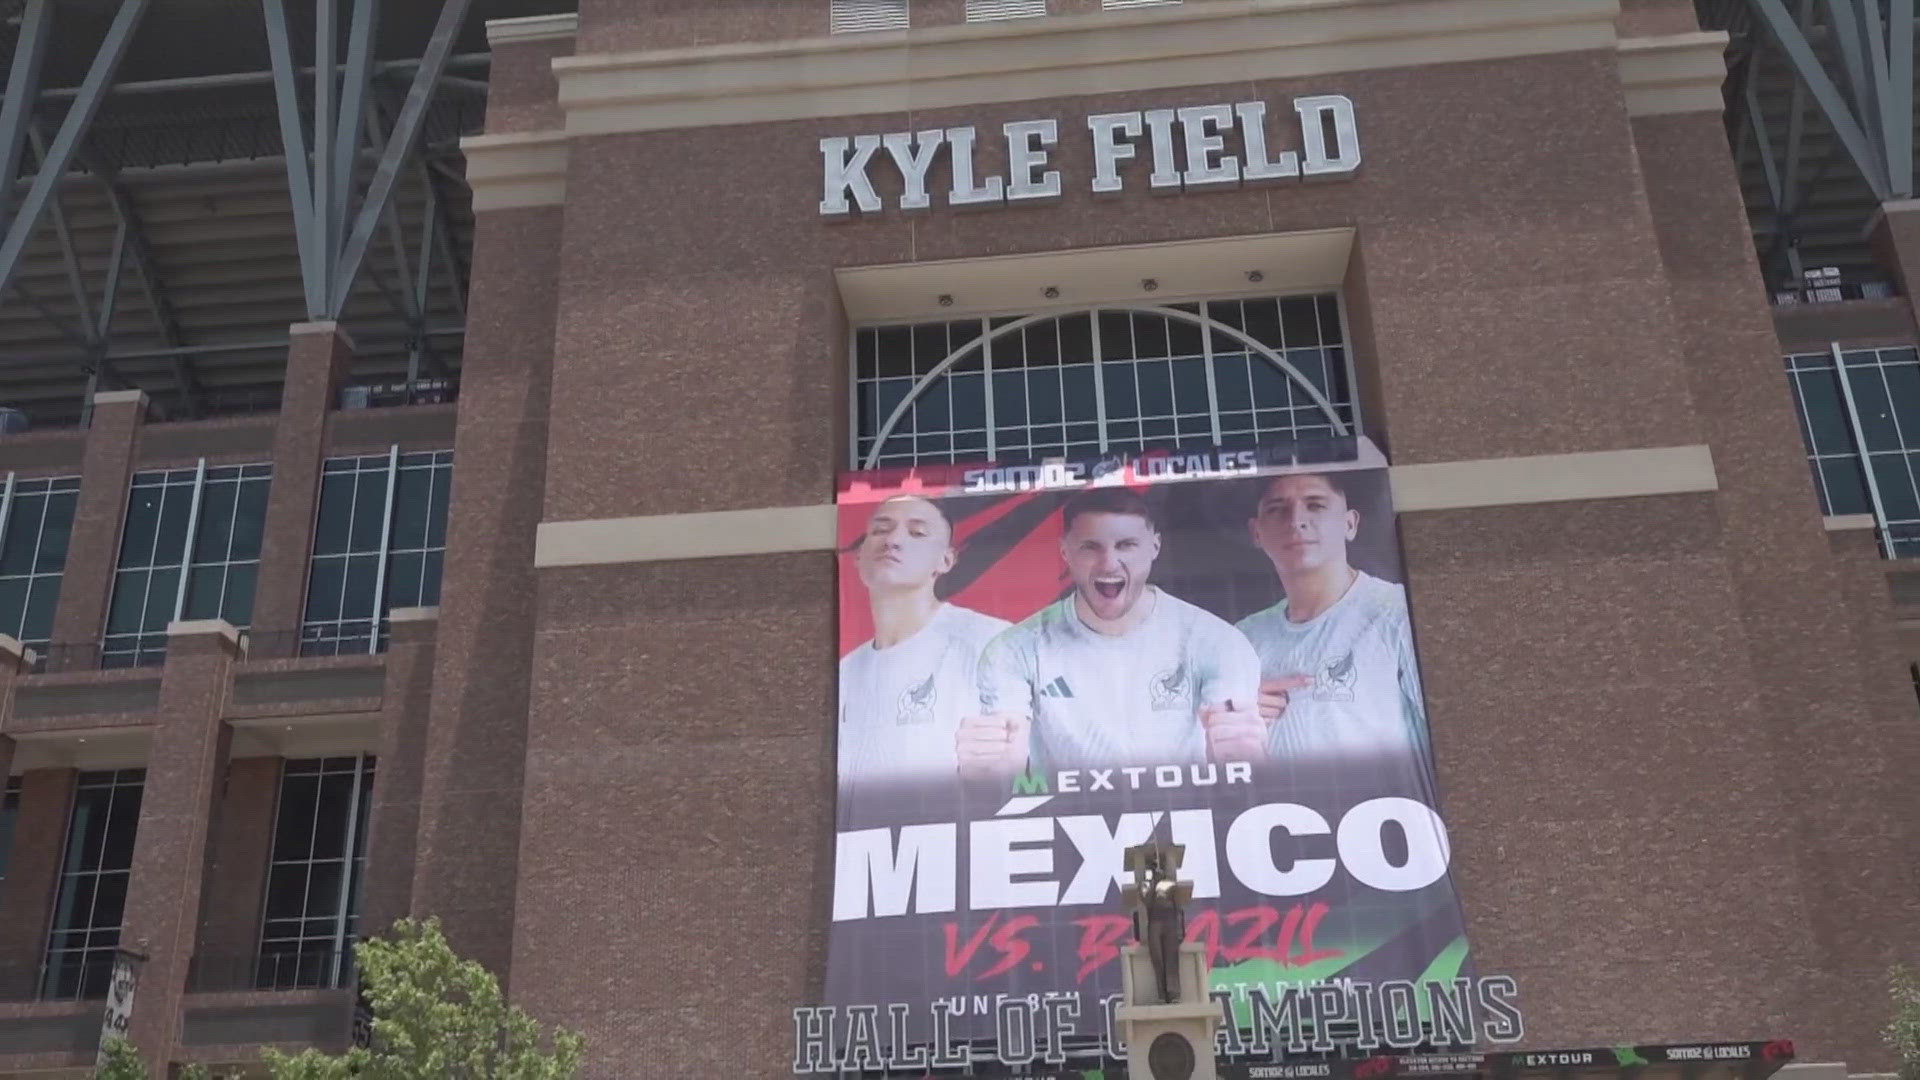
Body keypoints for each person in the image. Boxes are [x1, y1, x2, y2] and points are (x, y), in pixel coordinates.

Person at [958, 487, 1263, 778]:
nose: (1109, 563)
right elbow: (1002, 768)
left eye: (1126, 545)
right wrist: (984, 771)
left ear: (1154, 547)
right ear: (1065, 551)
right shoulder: (1015, 649)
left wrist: (1246, 758)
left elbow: (1237, 763)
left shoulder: (1217, 641)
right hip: (1066, 813)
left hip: (1180, 812)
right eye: (1090, 547)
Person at [1236, 470, 1430, 766]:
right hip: (1279, 796)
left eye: (1315, 505)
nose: (1296, 521)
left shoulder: (1398, 613)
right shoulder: (1244, 637)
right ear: (1256, 532)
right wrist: (1231, 718)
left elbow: (1452, 734)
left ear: (1350, 524)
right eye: (1277, 509)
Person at [838, 494, 1010, 794]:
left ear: (946, 560)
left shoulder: (991, 643)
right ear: (858, 556)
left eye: (917, 533)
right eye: (880, 530)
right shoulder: (846, 672)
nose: (892, 540)